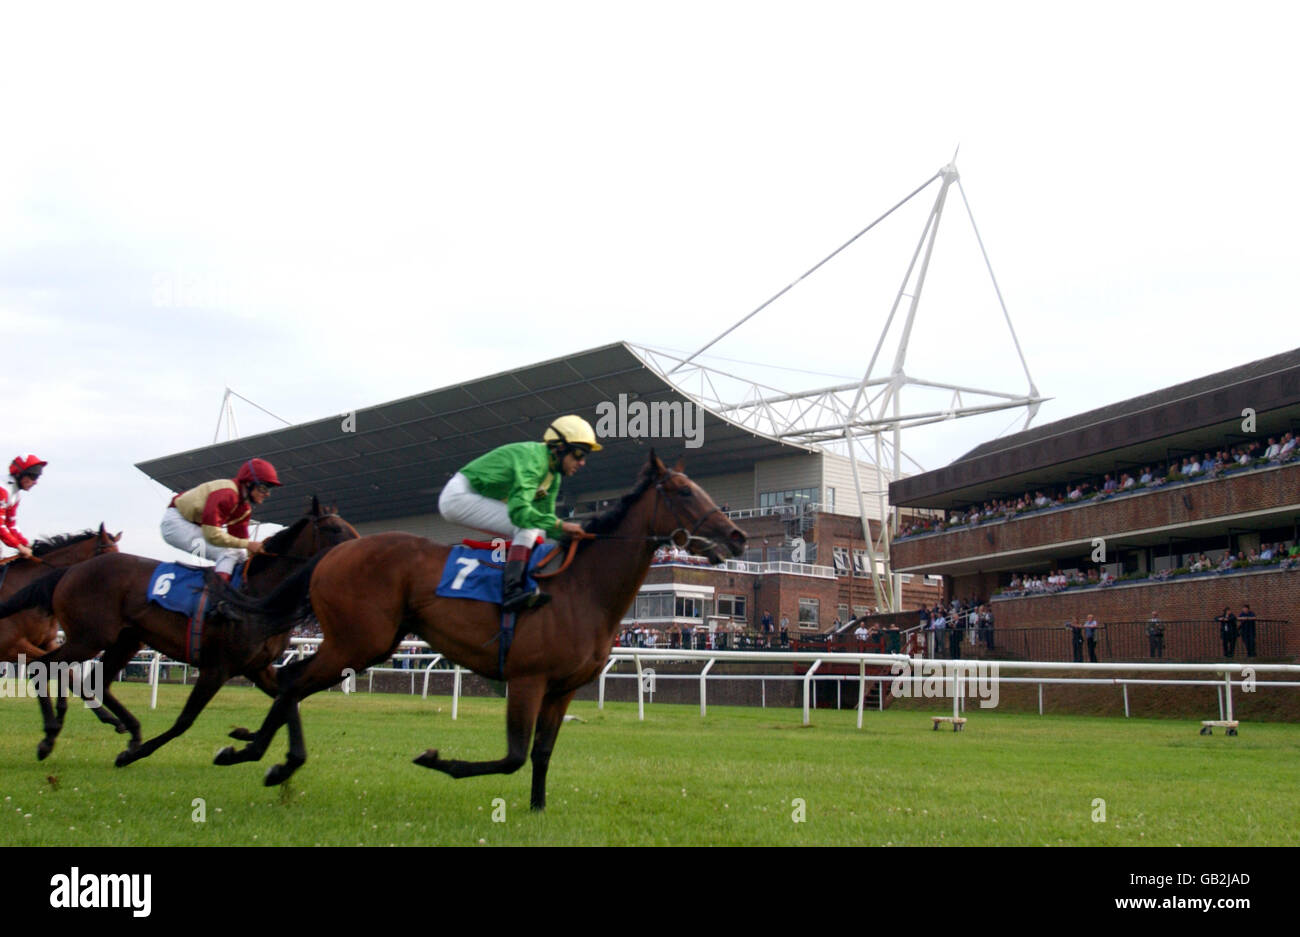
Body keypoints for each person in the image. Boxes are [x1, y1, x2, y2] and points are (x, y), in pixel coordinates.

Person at [438, 415, 599, 612]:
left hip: (475, 497)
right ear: (559, 448)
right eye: (579, 454)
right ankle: (511, 590)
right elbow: (520, 513)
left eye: (585, 456)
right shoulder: (533, 459)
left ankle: (524, 581)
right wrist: (562, 525)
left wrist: (571, 534)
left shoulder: (553, 476)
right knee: (527, 526)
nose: (582, 462)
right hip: (459, 496)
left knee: (539, 532)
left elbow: (547, 521)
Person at [161, 458, 280, 580]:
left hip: (193, 525)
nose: (267, 494)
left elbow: (241, 542)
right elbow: (212, 535)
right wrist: (248, 544)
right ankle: (217, 592)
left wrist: (259, 553)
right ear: (249, 483)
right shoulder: (227, 494)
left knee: (241, 556)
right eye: (264, 488)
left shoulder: (243, 508)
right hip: (176, 523)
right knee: (229, 553)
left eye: (269, 489)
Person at [1, 454, 47, 559]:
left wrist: (25, 544)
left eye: (37, 477)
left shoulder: (15, 495)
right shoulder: (2, 490)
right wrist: (19, 546)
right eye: (33, 477)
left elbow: (10, 525)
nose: (35, 482)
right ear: (19, 474)